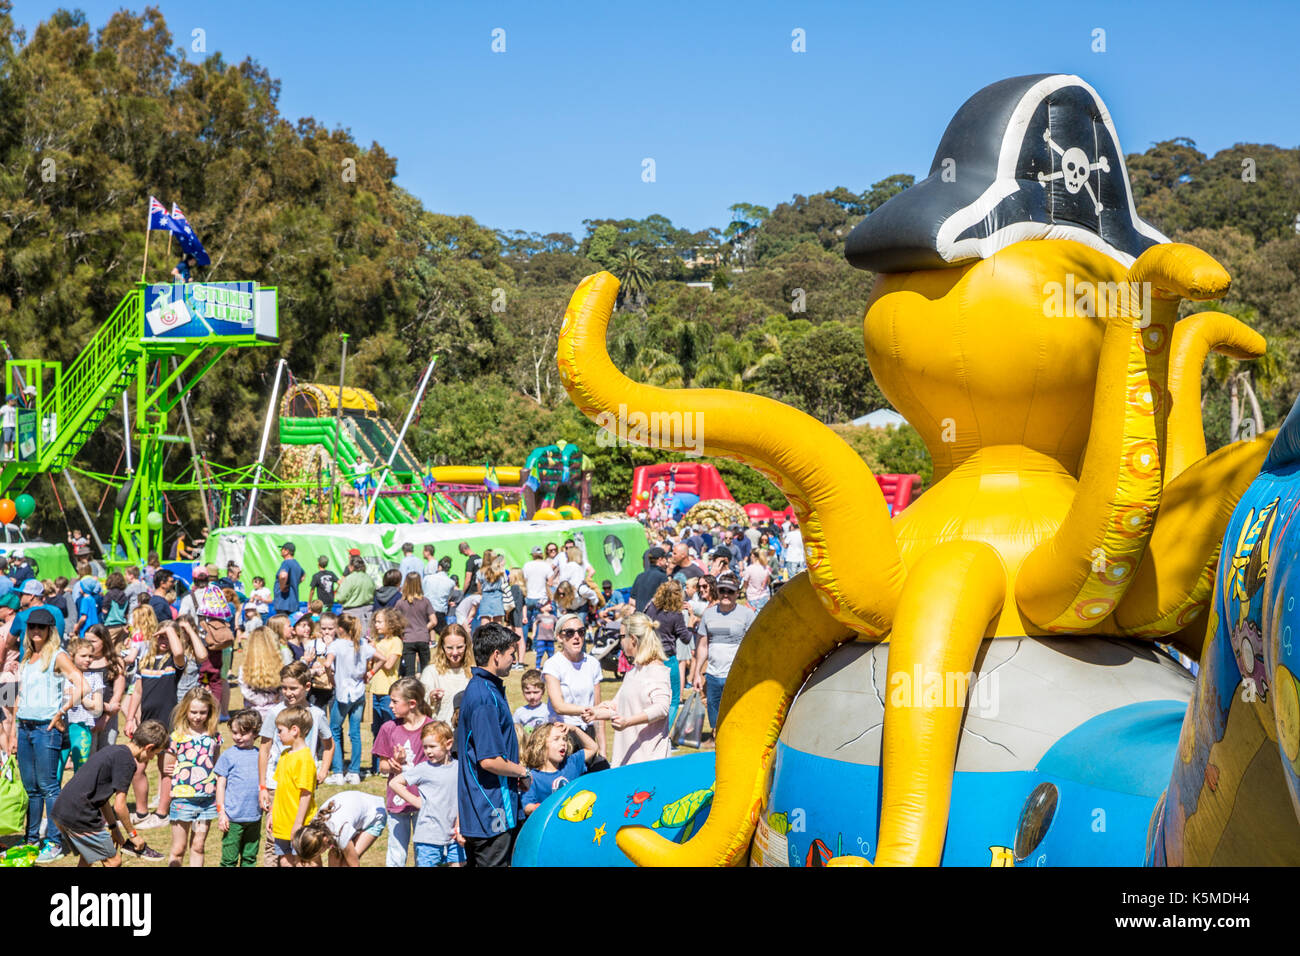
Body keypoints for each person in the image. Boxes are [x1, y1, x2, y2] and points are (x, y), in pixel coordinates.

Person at [7, 607, 86, 862]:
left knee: (49, 787)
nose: (36, 631)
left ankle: (54, 841)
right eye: (32, 627)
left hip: (46, 730)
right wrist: (11, 733)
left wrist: (62, 710)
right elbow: (17, 696)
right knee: (31, 789)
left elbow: (82, 684)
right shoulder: (27, 656)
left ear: (50, 630)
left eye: (41, 627)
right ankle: (31, 839)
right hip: (25, 728)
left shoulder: (57, 656)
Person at [455, 622, 531, 866]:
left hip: (486, 806)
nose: (514, 659)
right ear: (496, 655)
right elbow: (489, 760)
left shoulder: (485, 688)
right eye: (511, 654)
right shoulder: (484, 696)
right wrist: (523, 771)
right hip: (490, 808)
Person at [48, 719, 168, 867]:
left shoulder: (115, 751)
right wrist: (133, 835)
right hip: (79, 814)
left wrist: (114, 829)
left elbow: (102, 799)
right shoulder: (127, 762)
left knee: (88, 857)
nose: (151, 758)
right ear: (148, 747)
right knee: (114, 861)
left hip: (62, 810)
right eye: (153, 754)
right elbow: (119, 806)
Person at [124, 616, 190, 829]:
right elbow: (137, 692)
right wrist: (130, 718)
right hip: (146, 723)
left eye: (168, 637)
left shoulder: (175, 662)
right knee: (137, 766)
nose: (163, 640)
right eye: (159, 636)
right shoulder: (145, 660)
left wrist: (169, 630)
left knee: (166, 769)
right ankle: (142, 812)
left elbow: (179, 652)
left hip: (169, 723)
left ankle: (162, 814)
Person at [257, 662, 334, 825]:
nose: (288, 693)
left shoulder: (317, 714)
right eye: (284, 688)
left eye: (293, 688)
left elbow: (329, 744)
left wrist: (324, 770)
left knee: (302, 828)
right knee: (275, 832)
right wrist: (263, 786)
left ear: (307, 686)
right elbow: (264, 749)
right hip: (275, 782)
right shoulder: (275, 712)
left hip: (303, 781)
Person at [591, 613, 671, 766]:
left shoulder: (657, 671)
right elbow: (617, 707)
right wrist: (594, 713)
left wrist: (628, 722)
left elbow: (662, 708)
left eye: (622, 636)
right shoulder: (633, 671)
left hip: (648, 762)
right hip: (627, 760)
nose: (620, 642)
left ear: (633, 639)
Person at [372, 676, 433, 867]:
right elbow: (381, 766)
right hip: (398, 801)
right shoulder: (388, 728)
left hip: (426, 801)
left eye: (394, 701)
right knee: (396, 853)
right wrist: (393, 764)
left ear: (412, 703)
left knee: (425, 852)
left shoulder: (431, 727)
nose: (390, 705)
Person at [387, 720, 464, 867]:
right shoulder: (423, 769)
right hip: (429, 837)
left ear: (448, 744)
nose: (428, 751)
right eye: (425, 747)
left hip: (454, 834)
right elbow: (394, 783)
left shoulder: (459, 767)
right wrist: (416, 801)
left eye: (432, 747)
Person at [693, 571, 757, 735]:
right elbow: (702, 646)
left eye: (730, 591)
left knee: (736, 713)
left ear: (737, 593)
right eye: (722, 591)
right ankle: (716, 743)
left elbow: (754, 646)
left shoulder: (747, 614)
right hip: (713, 674)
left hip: (735, 674)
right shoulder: (708, 614)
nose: (726, 595)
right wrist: (696, 672)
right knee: (715, 715)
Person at [166, 686, 222, 867]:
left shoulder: (214, 736)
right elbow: (167, 766)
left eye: (203, 712)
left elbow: (216, 762)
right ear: (185, 711)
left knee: (198, 845)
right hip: (183, 798)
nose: (197, 717)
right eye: (193, 712)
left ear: (210, 712)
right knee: (179, 848)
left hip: (207, 799)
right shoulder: (177, 736)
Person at [541, 613, 605, 755]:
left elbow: (598, 713)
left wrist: (603, 750)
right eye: (570, 633)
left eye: (581, 632)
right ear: (559, 637)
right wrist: (588, 710)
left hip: (588, 732)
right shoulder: (553, 665)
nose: (576, 637)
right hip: (563, 733)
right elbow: (558, 706)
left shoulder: (593, 663)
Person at [325, 614, 373, 786]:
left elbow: (326, 663)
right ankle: (354, 771)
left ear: (340, 629)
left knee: (335, 730)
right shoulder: (362, 644)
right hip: (359, 693)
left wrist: (331, 678)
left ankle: (338, 772)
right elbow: (380, 657)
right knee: (355, 733)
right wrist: (370, 672)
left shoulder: (336, 645)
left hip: (343, 693)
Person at [214, 709, 264, 867]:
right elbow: (220, 785)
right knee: (229, 860)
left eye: (243, 733)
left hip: (254, 817)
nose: (237, 737)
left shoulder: (261, 755)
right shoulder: (228, 755)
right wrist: (221, 812)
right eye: (234, 732)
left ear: (255, 732)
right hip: (232, 818)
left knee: (250, 858)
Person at [642, 580, 693, 732]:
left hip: (649, 657)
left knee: (652, 697)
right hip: (668, 659)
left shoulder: (650, 608)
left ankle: (650, 730)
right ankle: (663, 734)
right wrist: (691, 620)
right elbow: (686, 638)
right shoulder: (675, 615)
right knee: (673, 699)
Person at [270, 706, 318, 865]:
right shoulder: (284, 755)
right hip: (282, 823)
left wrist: (298, 823)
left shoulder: (304, 759)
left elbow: (306, 794)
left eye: (280, 730)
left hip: (300, 824)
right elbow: (280, 789)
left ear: (294, 730)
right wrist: (271, 813)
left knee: (305, 861)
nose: (278, 735)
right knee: (284, 861)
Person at [521, 722, 598, 815]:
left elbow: (593, 748)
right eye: (556, 739)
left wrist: (575, 729)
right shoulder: (533, 777)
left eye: (564, 739)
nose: (563, 743)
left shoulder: (571, 763)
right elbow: (527, 806)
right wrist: (540, 808)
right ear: (540, 745)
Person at [298, 790, 386, 866]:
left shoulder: (339, 833)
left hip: (375, 814)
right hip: (354, 808)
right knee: (334, 854)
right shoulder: (313, 829)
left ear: (324, 840)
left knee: (346, 863)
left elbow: (354, 864)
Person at [367, 608, 403, 776]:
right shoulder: (379, 643)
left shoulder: (396, 641)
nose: (377, 624)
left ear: (390, 623)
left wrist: (375, 650)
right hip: (375, 691)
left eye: (380, 621)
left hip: (389, 692)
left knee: (390, 729)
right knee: (377, 730)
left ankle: (391, 764)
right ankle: (376, 766)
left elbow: (388, 665)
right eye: (376, 621)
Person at [418, 623, 473, 724]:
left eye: (460, 647)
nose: (455, 653)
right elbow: (420, 707)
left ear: (466, 646)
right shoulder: (431, 672)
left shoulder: (473, 672)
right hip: (440, 732)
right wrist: (431, 698)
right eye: (450, 648)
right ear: (442, 647)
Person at [61, 637, 102, 773]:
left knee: (81, 769)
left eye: (91, 656)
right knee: (56, 770)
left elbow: (97, 708)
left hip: (81, 727)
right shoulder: (61, 677)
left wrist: (80, 695)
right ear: (71, 656)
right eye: (83, 656)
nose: (88, 659)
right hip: (61, 727)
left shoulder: (95, 678)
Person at [395, 571, 436, 677]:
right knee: (426, 670)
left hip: (408, 638)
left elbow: (395, 622)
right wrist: (423, 628)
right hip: (422, 637)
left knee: (409, 672)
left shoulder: (400, 603)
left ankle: (410, 692)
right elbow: (434, 621)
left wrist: (402, 632)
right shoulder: (425, 601)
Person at [521, 545, 552, 644]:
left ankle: (523, 644)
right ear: (541, 554)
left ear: (533, 555)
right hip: (541, 598)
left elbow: (524, 581)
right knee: (538, 622)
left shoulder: (527, 565)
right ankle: (536, 645)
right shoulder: (546, 565)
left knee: (525, 621)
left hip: (529, 597)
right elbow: (550, 582)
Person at [513, 668, 558, 735]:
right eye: (528, 693)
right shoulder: (519, 712)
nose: (532, 697)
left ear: (543, 691)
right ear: (523, 692)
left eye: (536, 692)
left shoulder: (548, 711)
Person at [631, 547, 670, 611]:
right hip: (654, 617)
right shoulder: (662, 577)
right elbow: (667, 599)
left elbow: (632, 601)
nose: (667, 562)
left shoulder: (639, 576)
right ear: (660, 559)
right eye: (665, 559)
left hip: (640, 617)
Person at [421, 555, 454, 629]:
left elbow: (422, 592)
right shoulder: (451, 582)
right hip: (440, 612)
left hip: (426, 610)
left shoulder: (427, 578)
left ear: (439, 567)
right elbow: (449, 597)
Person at [273, 541, 305, 616]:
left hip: (283, 603)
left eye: (282, 549)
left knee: (282, 626)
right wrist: (295, 583)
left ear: (287, 551)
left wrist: (282, 587)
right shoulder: (296, 564)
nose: (281, 551)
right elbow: (303, 576)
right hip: (294, 603)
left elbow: (283, 576)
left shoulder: (286, 563)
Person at [532, 600, 558, 666]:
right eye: (547, 604)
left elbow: (558, 625)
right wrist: (534, 633)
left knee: (551, 655)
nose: (550, 605)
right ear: (542, 608)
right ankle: (537, 667)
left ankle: (551, 667)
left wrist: (558, 634)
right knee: (539, 653)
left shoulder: (553, 617)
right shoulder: (539, 616)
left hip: (550, 639)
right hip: (541, 639)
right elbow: (534, 624)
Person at [1, 392, 16, 460]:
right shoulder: (4, 407)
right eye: (13, 400)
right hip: (7, 426)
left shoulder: (14, 409)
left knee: (12, 441)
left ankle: (11, 455)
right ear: (9, 401)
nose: (14, 401)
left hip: (13, 426)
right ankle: (6, 455)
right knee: (6, 441)